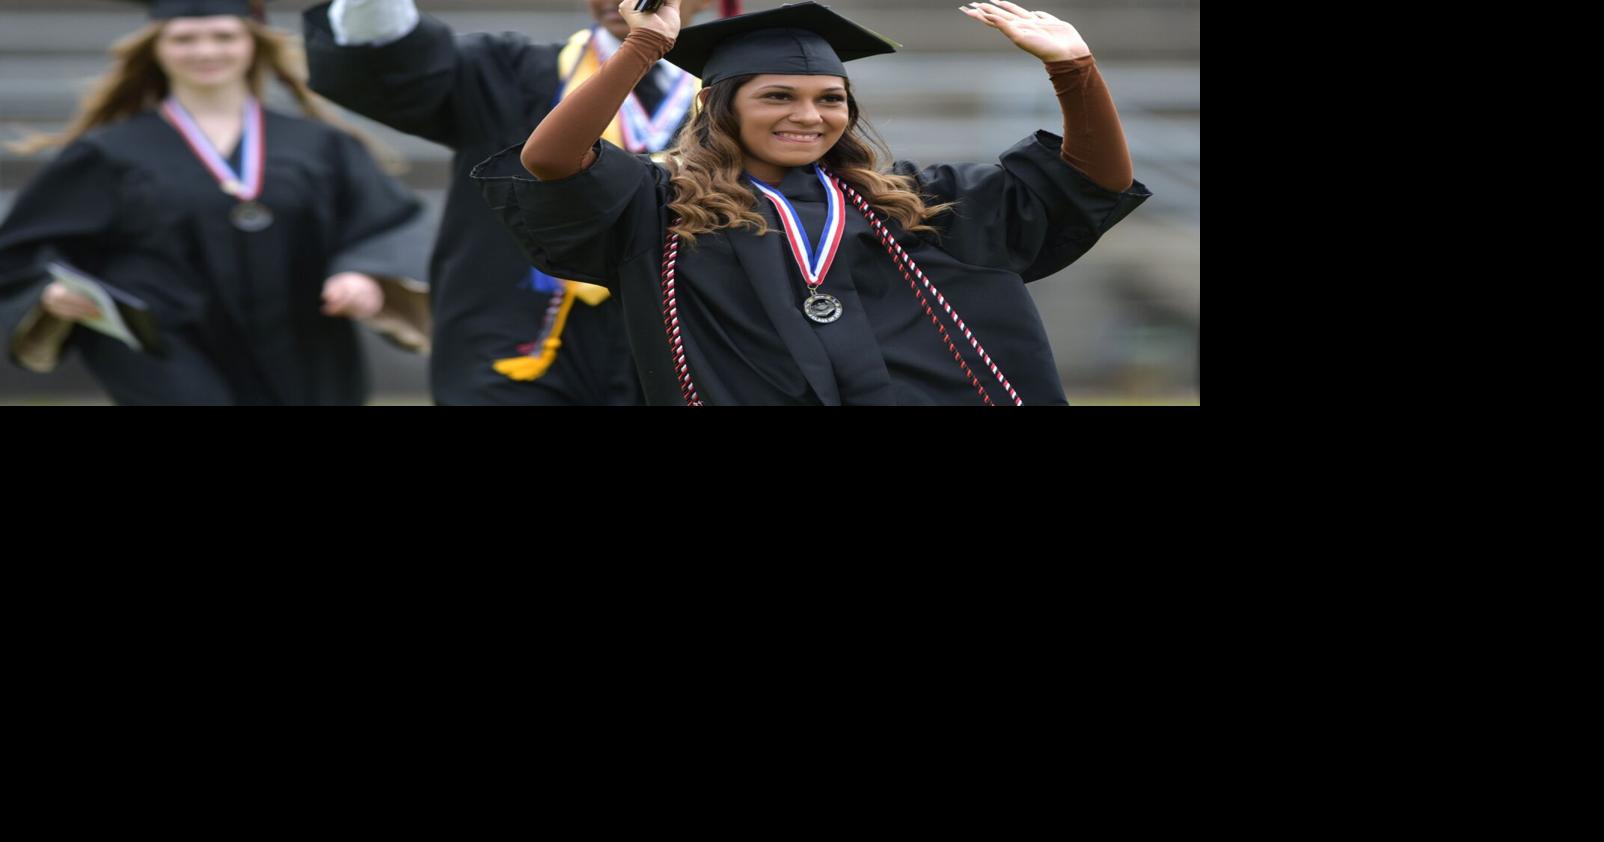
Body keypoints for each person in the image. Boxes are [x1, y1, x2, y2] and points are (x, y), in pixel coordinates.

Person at [474, 0, 1151, 406]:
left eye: (830, 99)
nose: (809, 115)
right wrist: (644, 48)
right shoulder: (660, 213)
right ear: (720, 106)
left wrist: (1074, 71)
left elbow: (1093, 179)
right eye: (777, 96)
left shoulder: (920, 205)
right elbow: (551, 160)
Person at [0, 0, 429, 405]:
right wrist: (50, 293)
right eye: (184, 38)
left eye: (224, 36)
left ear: (252, 44)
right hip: (162, 340)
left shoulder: (319, 147)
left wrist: (363, 274)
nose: (205, 51)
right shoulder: (109, 153)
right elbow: (27, 248)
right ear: (157, 49)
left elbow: (384, 223)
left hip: (300, 334)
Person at [303, 0, 726, 405]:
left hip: (672, 336)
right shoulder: (504, 71)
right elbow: (385, 48)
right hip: (510, 332)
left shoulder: (732, 101)